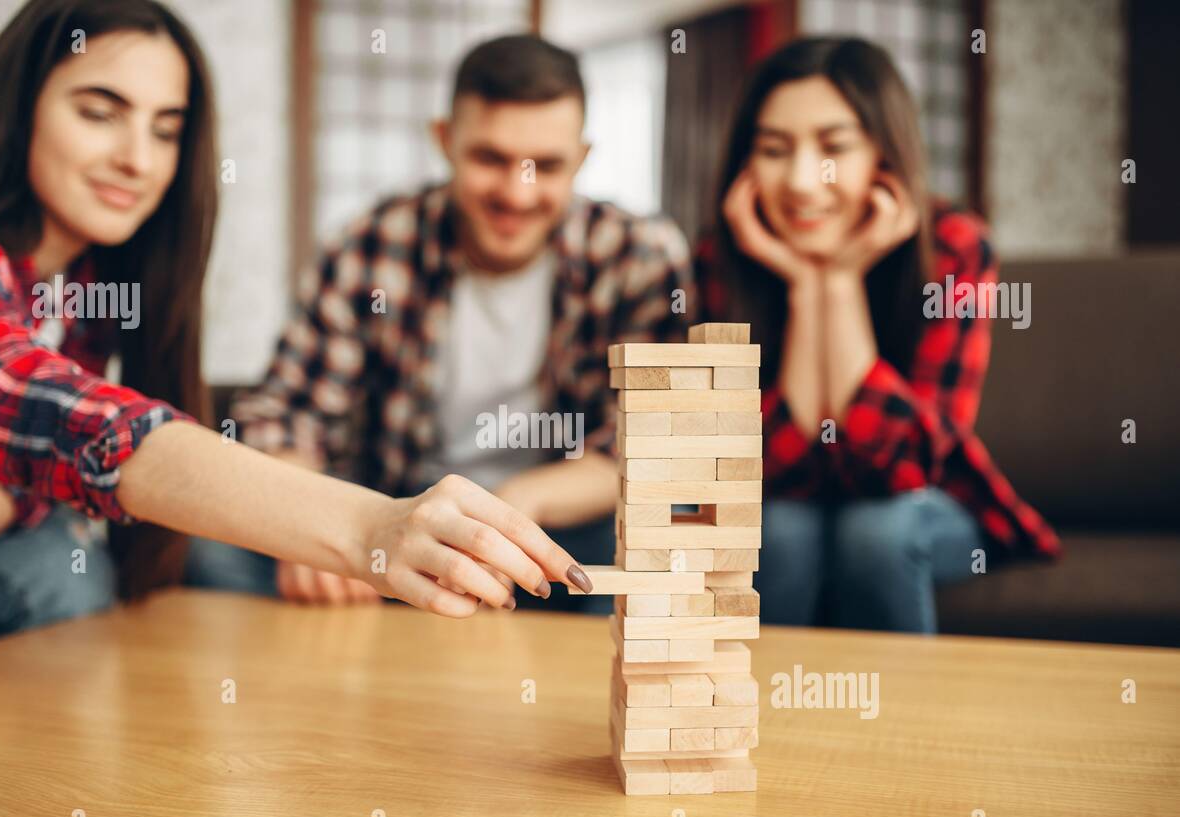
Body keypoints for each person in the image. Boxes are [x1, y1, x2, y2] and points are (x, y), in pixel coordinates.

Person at [0, 0, 591, 669]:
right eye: (100, 113)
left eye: (166, 129)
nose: (139, 158)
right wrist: (364, 528)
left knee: (79, 575)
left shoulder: (96, 275)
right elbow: (44, 414)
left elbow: (31, 459)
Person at [191, 34, 694, 613]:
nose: (516, 192)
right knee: (213, 551)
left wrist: (512, 507)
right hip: (395, 525)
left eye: (546, 166)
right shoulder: (371, 245)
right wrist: (316, 528)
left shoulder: (640, 257)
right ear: (445, 142)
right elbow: (287, 416)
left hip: (555, 531)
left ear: (581, 159)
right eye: (490, 159)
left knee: (639, 548)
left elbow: (655, 444)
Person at [697, 36, 1059, 633]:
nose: (803, 182)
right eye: (773, 149)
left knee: (875, 530)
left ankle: (897, 727)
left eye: (834, 147)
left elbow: (900, 469)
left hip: (931, 507)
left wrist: (838, 280)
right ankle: (756, 720)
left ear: (884, 155)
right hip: (791, 508)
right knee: (779, 530)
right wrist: (804, 284)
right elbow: (757, 468)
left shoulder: (955, 248)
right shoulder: (722, 257)